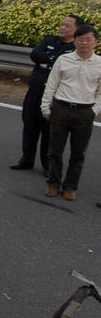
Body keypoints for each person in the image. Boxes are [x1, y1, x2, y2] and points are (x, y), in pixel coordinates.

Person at [10, 14, 81, 174]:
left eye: (67, 25)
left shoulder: (74, 49)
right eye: (62, 24)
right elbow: (35, 54)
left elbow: (63, 65)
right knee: (30, 126)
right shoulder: (49, 41)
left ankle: (47, 165)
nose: (62, 27)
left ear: (76, 30)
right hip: (35, 91)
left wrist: (47, 62)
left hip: (56, 96)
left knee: (49, 131)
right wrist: (52, 60)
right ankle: (26, 159)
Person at [41, 24, 101, 199]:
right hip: (61, 107)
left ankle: (70, 186)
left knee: (78, 153)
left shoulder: (99, 64)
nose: (84, 43)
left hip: (85, 111)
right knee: (55, 150)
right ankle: (53, 183)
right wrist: (46, 107)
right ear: (75, 41)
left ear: (95, 42)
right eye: (80, 39)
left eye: (88, 39)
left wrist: (94, 110)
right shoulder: (63, 59)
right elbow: (51, 84)